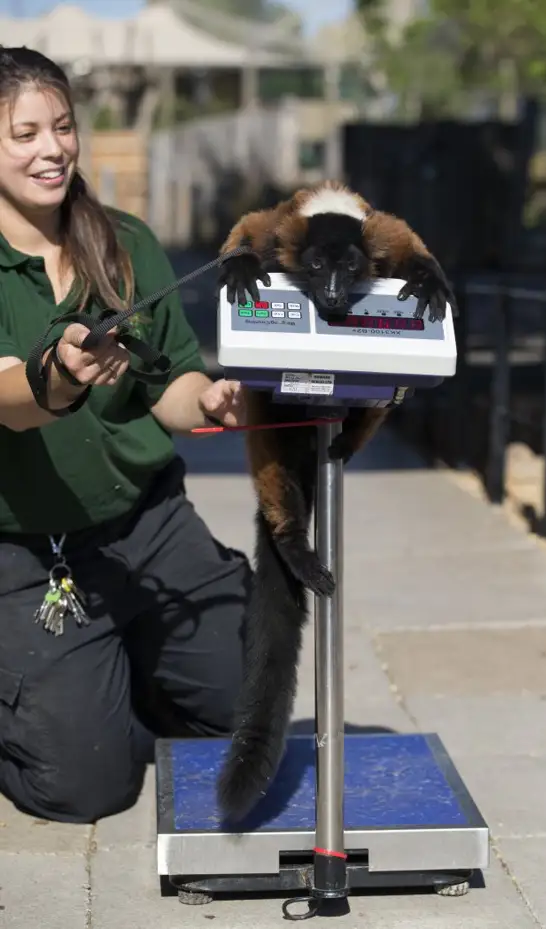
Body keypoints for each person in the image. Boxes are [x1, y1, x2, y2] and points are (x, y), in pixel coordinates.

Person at [0, 45, 253, 824]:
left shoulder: (126, 242)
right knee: (82, 790)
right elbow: (11, 396)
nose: (53, 150)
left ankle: (130, 669)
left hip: (151, 524)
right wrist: (61, 374)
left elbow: (168, 383)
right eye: (24, 133)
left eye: (64, 127)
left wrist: (209, 397)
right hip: (28, 549)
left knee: (253, 715)